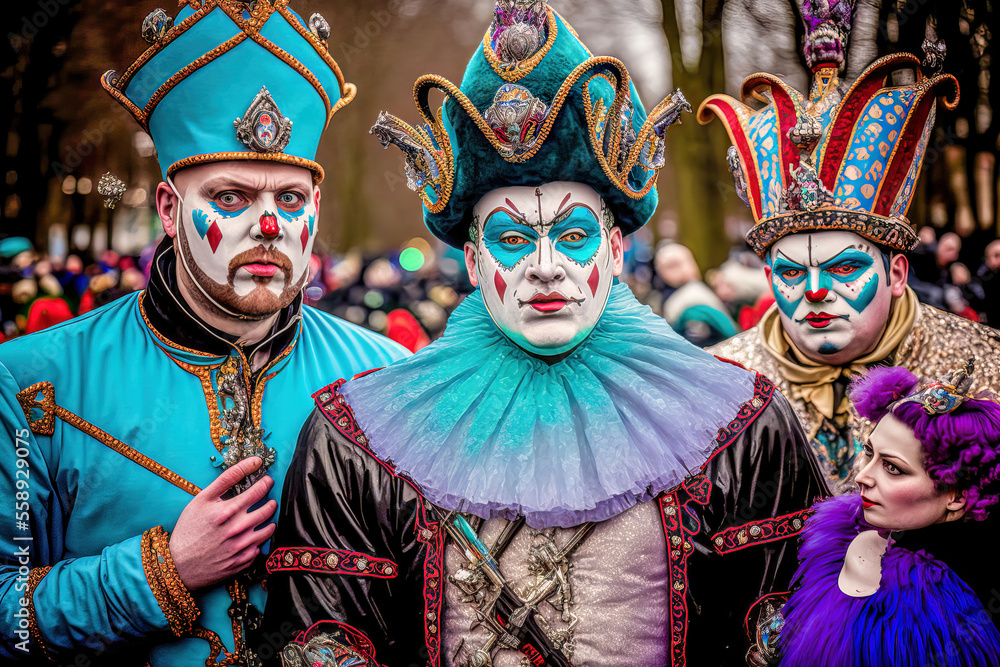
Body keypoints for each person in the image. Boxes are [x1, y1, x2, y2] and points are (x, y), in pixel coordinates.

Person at [262, 2, 825, 665]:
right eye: (509, 238)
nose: (546, 266)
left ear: (617, 251)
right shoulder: (354, 440)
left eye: (575, 234)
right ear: (472, 261)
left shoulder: (743, 427)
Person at [0, 2, 407, 665]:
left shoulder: (389, 378)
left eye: (291, 201)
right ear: (167, 208)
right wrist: (158, 572)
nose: (268, 226)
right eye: (231, 198)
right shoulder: (31, 386)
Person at [699, 2, 1000, 489]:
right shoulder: (717, 382)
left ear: (897, 273)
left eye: (844, 268)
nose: (815, 292)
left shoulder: (986, 365)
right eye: (793, 273)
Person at [774, 363, 1000, 666]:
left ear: (957, 497)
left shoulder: (940, 609)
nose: (862, 477)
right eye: (869, 452)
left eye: (893, 468)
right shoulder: (843, 535)